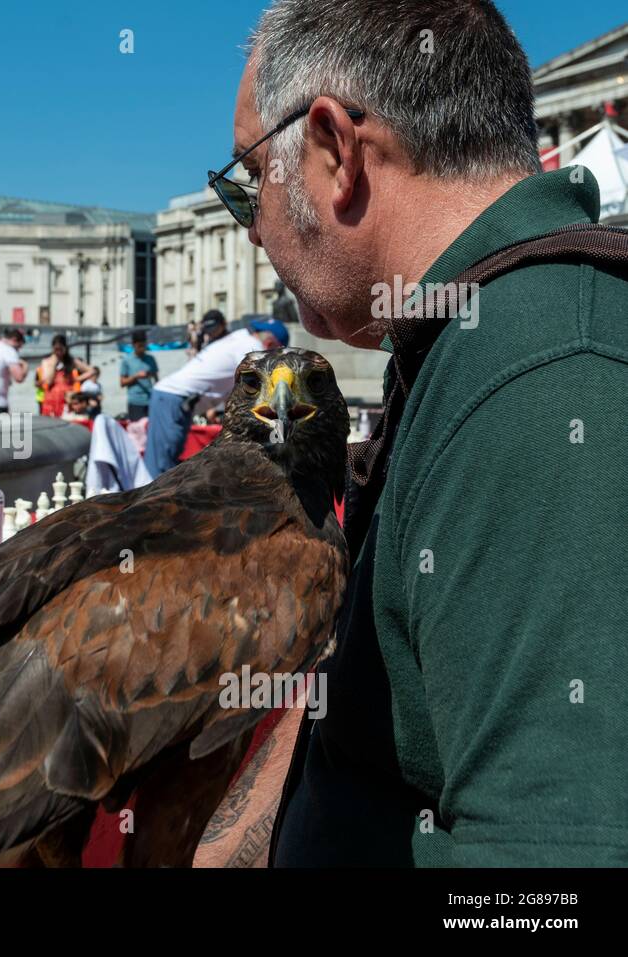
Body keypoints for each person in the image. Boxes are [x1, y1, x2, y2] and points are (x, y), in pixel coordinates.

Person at [194, 0, 628, 869]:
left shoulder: (544, 376)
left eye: (247, 185)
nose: (250, 229)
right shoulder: (465, 337)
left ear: (333, 152)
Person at [142, 318, 287, 477]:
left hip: (174, 399)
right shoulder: (251, 347)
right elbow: (258, 391)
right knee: (161, 466)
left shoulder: (239, 339)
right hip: (173, 399)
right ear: (270, 344)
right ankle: (147, 501)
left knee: (166, 460)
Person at [36, 334, 96, 417]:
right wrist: (53, 364)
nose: (58, 352)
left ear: (65, 348)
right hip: (52, 398)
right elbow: (48, 381)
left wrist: (77, 379)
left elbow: (92, 371)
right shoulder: (47, 362)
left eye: (61, 349)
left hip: (67, 397)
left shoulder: (71, 361)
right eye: (56, 349)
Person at [119, 330, 159, 421]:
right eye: (139, 346)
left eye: (143, 345)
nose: (142, 349)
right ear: (133, 345)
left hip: (150, 401)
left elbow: (156, 380)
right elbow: (122, 383)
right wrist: (136, 376)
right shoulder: (127, 360)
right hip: (135, 402)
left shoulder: (150, 359)